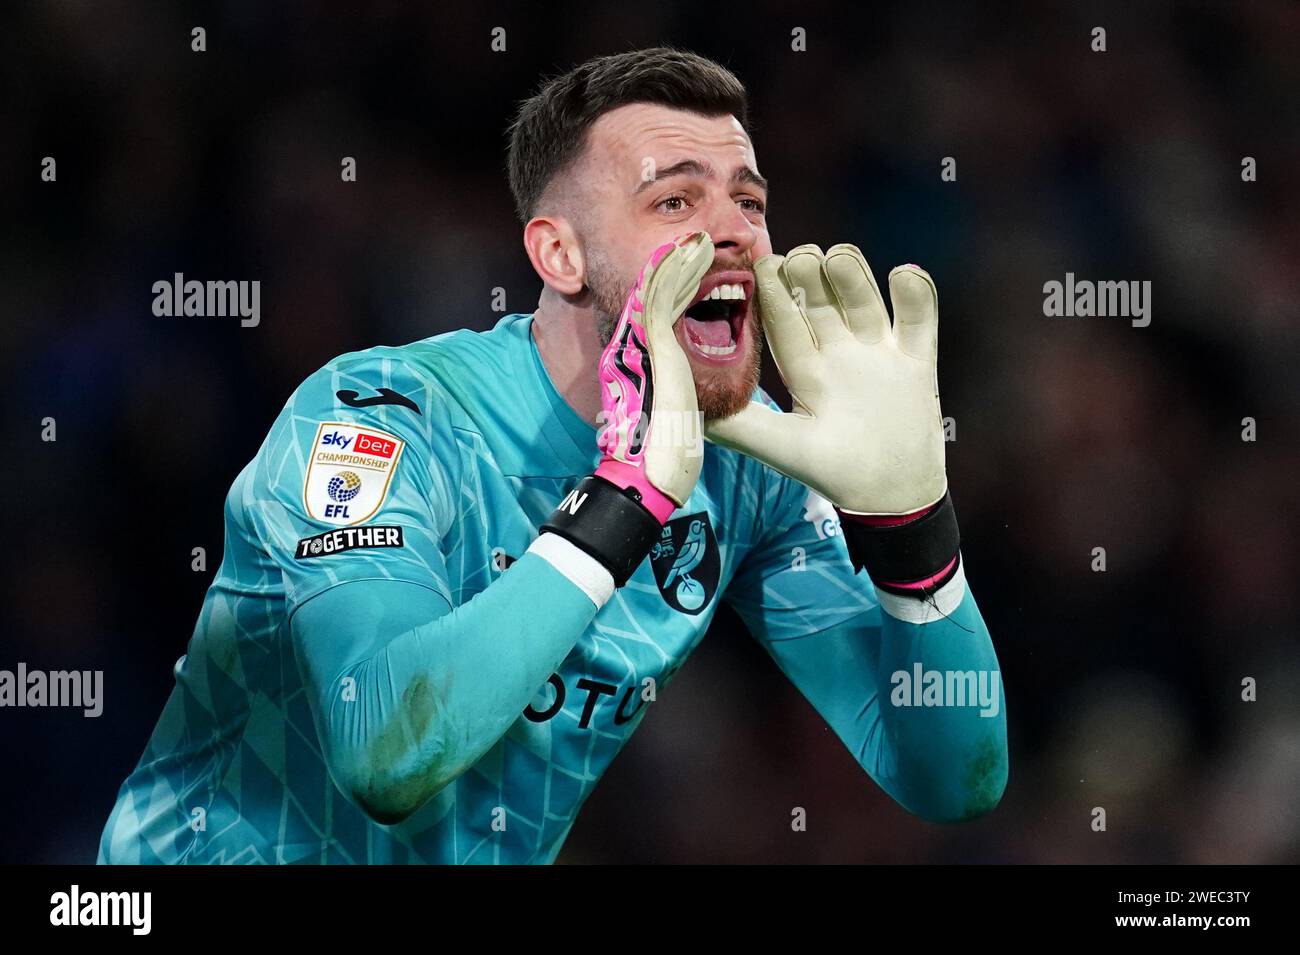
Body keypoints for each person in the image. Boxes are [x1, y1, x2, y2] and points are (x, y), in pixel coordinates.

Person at [98, 47, 1007, 865]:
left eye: (750, 198)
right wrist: (621, 505)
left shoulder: (743, 467)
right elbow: (382, 753)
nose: (734, 230)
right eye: (676, 199)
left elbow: (951, 781)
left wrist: (913, 529)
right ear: (560, 252)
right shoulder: (377, 420)